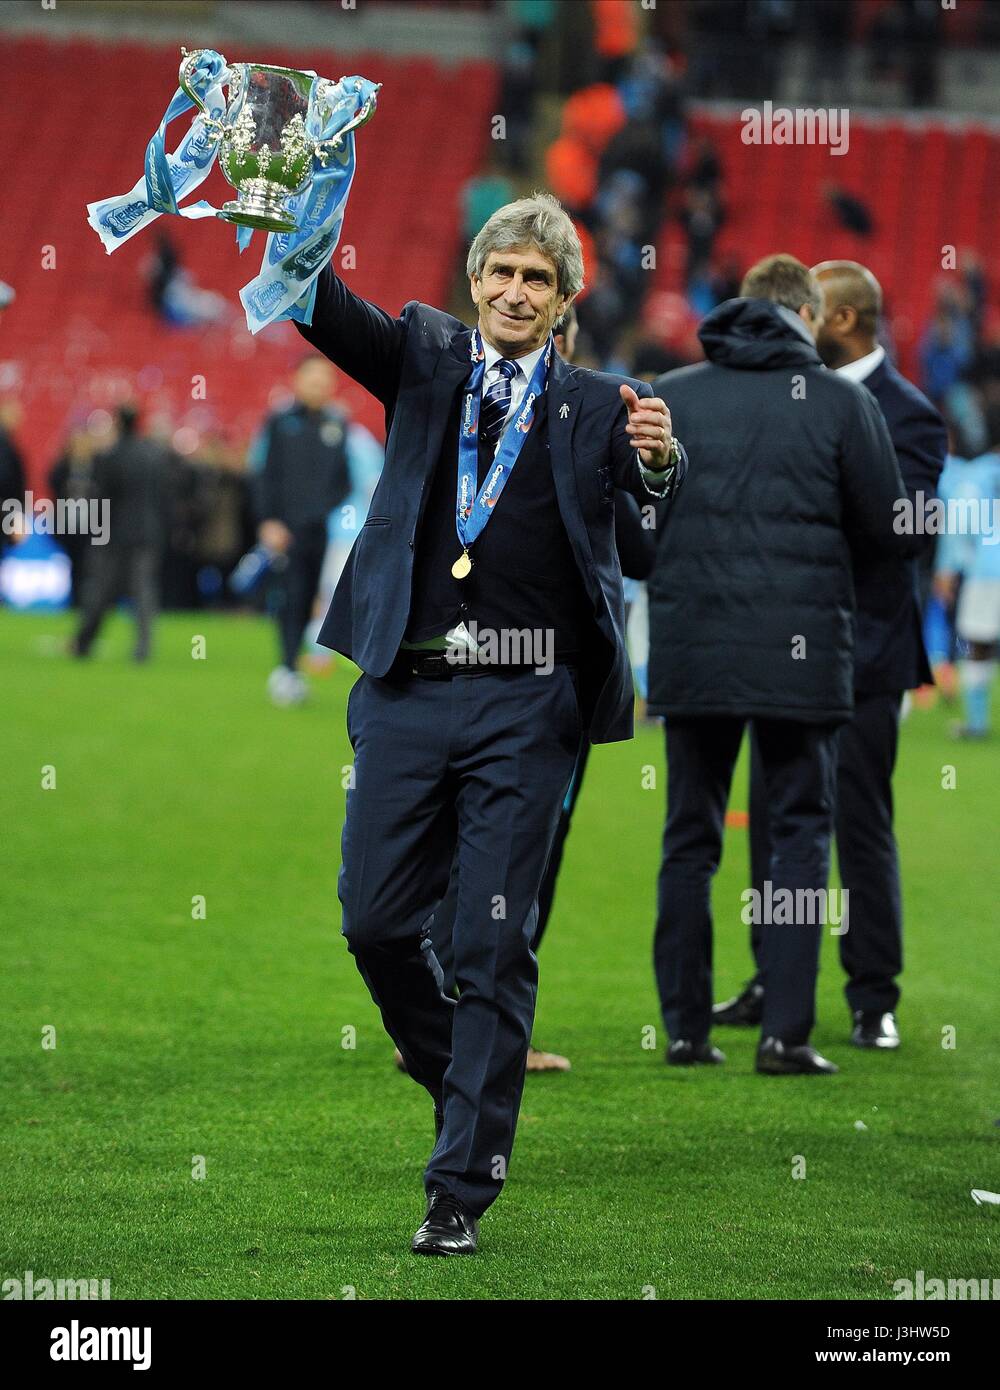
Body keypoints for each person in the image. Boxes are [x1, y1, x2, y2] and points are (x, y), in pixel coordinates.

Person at [295, 193, 684, 1254]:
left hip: (528, 703)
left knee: (490, 942)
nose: (515, 293)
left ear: (564, 302)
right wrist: (292, 213)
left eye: (537, 280)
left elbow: (645, 544)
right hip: (408, 690)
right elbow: (323, 309)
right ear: (476, 281)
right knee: (373, 921)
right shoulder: (422, 356)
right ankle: (454, 1071)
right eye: (501, 273)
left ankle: (459, 1187)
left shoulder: (604, 402)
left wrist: (657, 464)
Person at [648, 254, 909, 1077]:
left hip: (694, 649)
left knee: (689, 838)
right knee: (800, 838)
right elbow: (886, 532)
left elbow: (636, 523)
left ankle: (687, 1029)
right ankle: (784, 1035)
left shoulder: (673, 395)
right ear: (805, 314)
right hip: (804, 659)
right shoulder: (841, 401)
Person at [421, 305, 657, 1075]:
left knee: (489, 847)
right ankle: (461, 1020)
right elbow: (641, 550)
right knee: (513, 849)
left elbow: (641, 541)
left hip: (525, 670)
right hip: (525, 671)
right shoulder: (489, 416)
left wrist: (648, 467)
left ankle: (455, 1016)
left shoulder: (595, 420)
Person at [717, 261, 947, 1049]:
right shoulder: (793, 396)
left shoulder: (909, 414)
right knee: (772, 823)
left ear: (840, 319)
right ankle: (772, 979)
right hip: (780, 650)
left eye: (805, 313)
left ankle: (872, 995)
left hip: (865, 657)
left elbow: (911, 531)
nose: (791, 325)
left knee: (860, 825)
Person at [251, 355, 354, 706]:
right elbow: (265, 474)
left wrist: (322, 508)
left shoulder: (337, 426)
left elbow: (344, 481)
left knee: (311, 596)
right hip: (285, 530)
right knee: (290, 597)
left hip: (318, 530)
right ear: (297, 381)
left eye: (325, 379)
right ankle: (286, 667)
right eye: (312, 379)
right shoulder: (280, 423)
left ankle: (294, 667)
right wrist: (269, 520)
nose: (319, 385)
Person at [71, 404, 171, 662]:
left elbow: (102, 499)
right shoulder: (154, 455)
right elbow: (164, 498)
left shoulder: (111, 457)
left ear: (117, 423)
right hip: (148, 534)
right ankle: (143, 648)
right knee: (144, 592)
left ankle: (84, 642)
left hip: (116, 534)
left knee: (102, 590)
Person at [934, 417, 1000, 739]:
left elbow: (957, 527)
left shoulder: (966, 477)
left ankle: (976, 724)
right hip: (987, 568)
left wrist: (946, 569)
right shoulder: (978, 472)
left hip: (987, 573)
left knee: (977, 643)